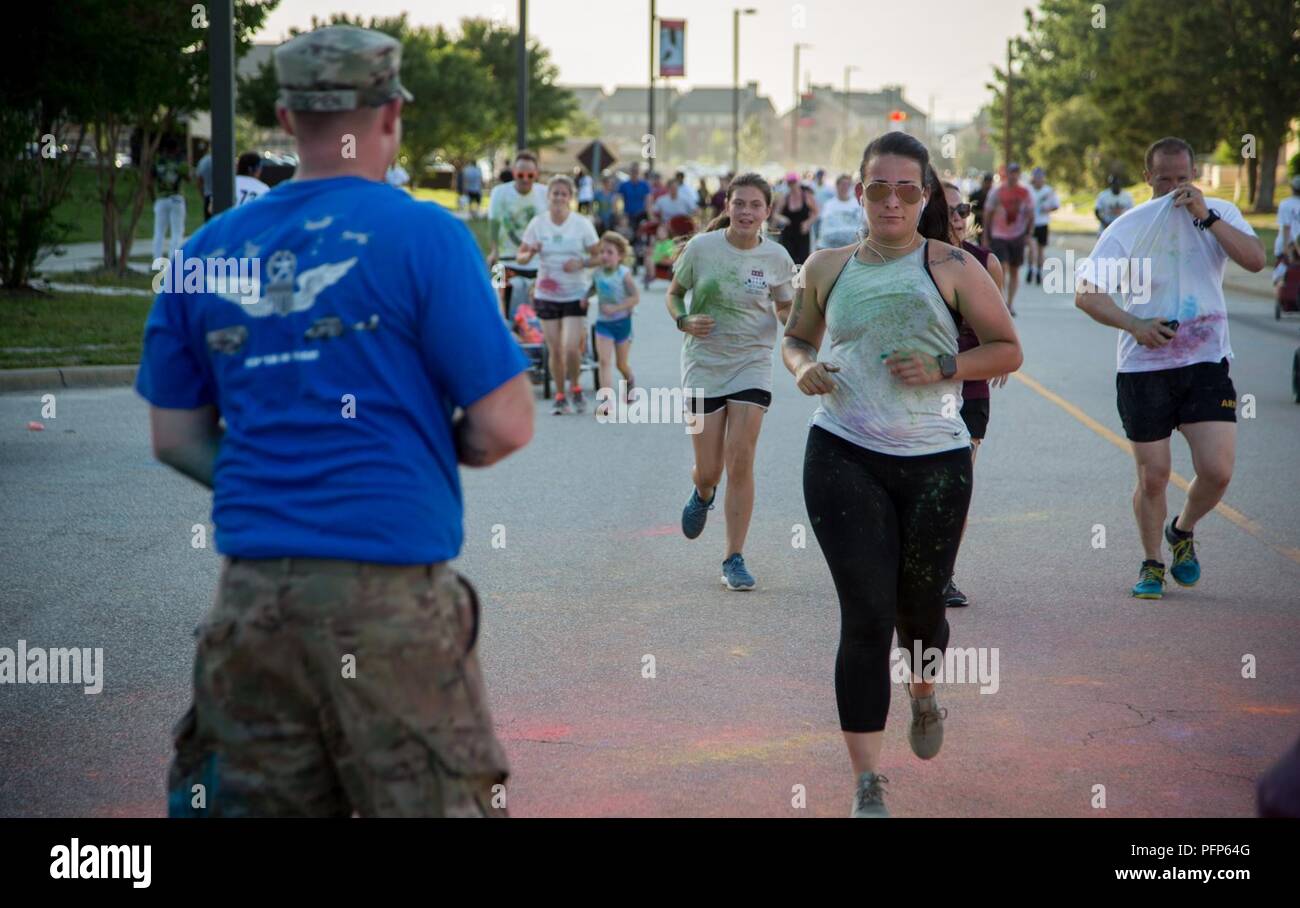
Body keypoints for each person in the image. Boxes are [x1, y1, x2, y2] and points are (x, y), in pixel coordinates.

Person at [137, 25, 533, 817]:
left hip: (251, 605)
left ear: (285, 118)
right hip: (388, 602)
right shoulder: (427, 237)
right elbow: (504, 425)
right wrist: (412, 451)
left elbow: (175, 436)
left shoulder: (208, 252)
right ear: (390, 114)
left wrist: (269, 468)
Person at [781, 131, 1021, 817]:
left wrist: (946, 367)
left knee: (919, 612)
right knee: (864, 615)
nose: (891, 200)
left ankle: (923, 693)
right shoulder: (825, 266)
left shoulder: (953, 265)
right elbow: (797, 338)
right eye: (877, 188)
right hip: (841, 452)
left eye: (906, 189)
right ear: (858, 193)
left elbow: (1008, 350)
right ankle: (866, 783)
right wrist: (804, 369)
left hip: (935, 463)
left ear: (925, 196)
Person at [1074, 137, 1265, 600]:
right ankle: (1151, 562)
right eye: (1165, 179)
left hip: (1206, 362)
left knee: (1217, 471)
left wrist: (1209, 217)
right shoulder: (1128, 226)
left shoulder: (1218, 213)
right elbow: (1087, 293)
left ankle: (1182, 530)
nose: (1176, 188)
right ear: (1148, 178)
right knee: (1154, 474)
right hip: (1145, 368)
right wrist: (1134, 323)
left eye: (1183, 178)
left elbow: (1256, 261)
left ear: (1194, 175)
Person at [668, 173, 796, 592]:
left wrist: (795, 323)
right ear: (727, 205)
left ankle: (733, 557)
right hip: (704, 364)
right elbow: (674, 294)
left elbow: (785, 307)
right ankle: (702, 492)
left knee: (741, 458)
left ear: (766, 211)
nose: (745, 212)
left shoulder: (777, 257)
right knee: (711, 468)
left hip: (752, 364)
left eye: (754, 205)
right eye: (739, 203)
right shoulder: (702, 249)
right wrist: (683, 319)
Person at [930, 179, 1006, 608]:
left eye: (965, 210)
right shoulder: (913, 260)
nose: (959, 218)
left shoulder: (984, 262)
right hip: (916, 390)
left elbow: (1001, 335)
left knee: (954, 484)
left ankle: (942, 574)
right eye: (950, 210)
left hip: (970, 389)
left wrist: (997, 357)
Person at [516, 174, 601, 415]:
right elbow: (520, 256)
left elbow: (598, 255)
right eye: (555, 193)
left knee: (571, 347)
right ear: (548, 196)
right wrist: (531, 252)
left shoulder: (582, 224)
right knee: (554, 349)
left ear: (571, 198)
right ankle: (561, 395)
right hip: (546, 294)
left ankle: (576, 388)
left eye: (564, 194)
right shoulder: (538, 223)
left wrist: (582, 263)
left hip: (575, 293)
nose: (559, 198)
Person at [488, 150, 549, 316]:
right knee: (496, 298)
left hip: (537, 261)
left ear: (536, 174)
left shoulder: (545, 193)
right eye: (520, 174)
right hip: (505, 260)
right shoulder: (499, 192)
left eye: (530, 175)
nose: (525, 179)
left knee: (541, 306)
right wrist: (494, 250)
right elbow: (494, 223)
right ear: (514, 172)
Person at [586, 231, 640, 417]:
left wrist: (617, 308)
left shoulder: (624, 274)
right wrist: (585, 298)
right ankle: (607, 402)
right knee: (603, 361)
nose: (605, 256)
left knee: (621, 364)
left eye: (610, 252)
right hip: (603, 324)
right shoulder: (597, 273)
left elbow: (635, 297)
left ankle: (629, 378)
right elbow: (593, 289)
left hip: (622, 323)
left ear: (620, 256)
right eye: (602, 252)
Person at [982, 162, 1033, 316]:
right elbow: (988, 213)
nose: (1014, 175)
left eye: (1016, 172)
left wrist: (1028, 234)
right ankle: (1002, 302)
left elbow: (1031, 213)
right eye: (1011, 172)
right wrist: (985, 235)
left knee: (1014, 270)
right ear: (1007, 174)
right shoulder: (997, 192)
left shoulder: (1025, 192)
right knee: (1001, 267)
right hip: (999, 235)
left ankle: (1010, 303)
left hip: (1017, 235)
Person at [773, 172, 819, 265]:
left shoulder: (806, 196)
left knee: (803, 262)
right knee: (788, 262)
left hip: (803, 234)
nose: (792, 185)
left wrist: (808, 223)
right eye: (790, 183)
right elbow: (775, 214)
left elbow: (816, 212)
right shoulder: (785, 197)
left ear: (798, 182)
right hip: (788, 235)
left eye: (794, 182)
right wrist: (782, 218)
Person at [151, 143, 188, 260]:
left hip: (161, 198)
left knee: (159, 231)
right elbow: (188, 178)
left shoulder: (158, 163)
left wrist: (153, 197)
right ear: (175, 150)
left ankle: (156, 259)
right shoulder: (180, 163)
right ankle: (173, 259)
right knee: (177, 232)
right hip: (176, 198)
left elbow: (149, 180)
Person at [814, 173, 864, 250]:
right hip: (830, 249)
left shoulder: (857, 204)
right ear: (837, 186)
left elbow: (862, 226)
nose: (845, 187)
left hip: (853, 249)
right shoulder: (829, 205)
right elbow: (823, 229)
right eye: (843, 184)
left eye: (847, 185)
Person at [1026, 166, 1059, 284]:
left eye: (1040, 178)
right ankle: (1030, 269)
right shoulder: (1028, 190)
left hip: (1043, 223)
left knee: (1040, 250)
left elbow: (1056, 205)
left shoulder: (1048, 191)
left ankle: (1039, 271)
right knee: (1031, 249)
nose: (1038, 180)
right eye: (1036, 177)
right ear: (1033, 178)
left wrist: (1048, 208)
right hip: (1031, 224)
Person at [617, 162, 653, 235]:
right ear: (630, 172)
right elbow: (619, 200)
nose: (634, 173)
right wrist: (619, 214)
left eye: (636, 171)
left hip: (641, 214)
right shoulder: (624, 185)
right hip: (628, 214)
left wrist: (650, 215)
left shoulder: (644, 185)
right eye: (633, 171)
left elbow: (648, 201)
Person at [1273, 174, 1300, 264]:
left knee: (1285, 274)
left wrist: (1285, 248)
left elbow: (1286, 226)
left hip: (1288, 244)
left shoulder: (1285, 204)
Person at [969, 172, 993, 245]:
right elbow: (971, 209)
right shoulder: (975, 195)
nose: (988, 184)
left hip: (991, 226)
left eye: (990, 182)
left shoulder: (994, 195)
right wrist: (982, 214)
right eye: (987, 182)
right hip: (979, 224)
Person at [195, 149, 213, 221]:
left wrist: (203, 195)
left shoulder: (203, 161)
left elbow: (199, 181)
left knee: (209, 224)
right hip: (223, 197)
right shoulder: (226, 160)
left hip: (208, 196)